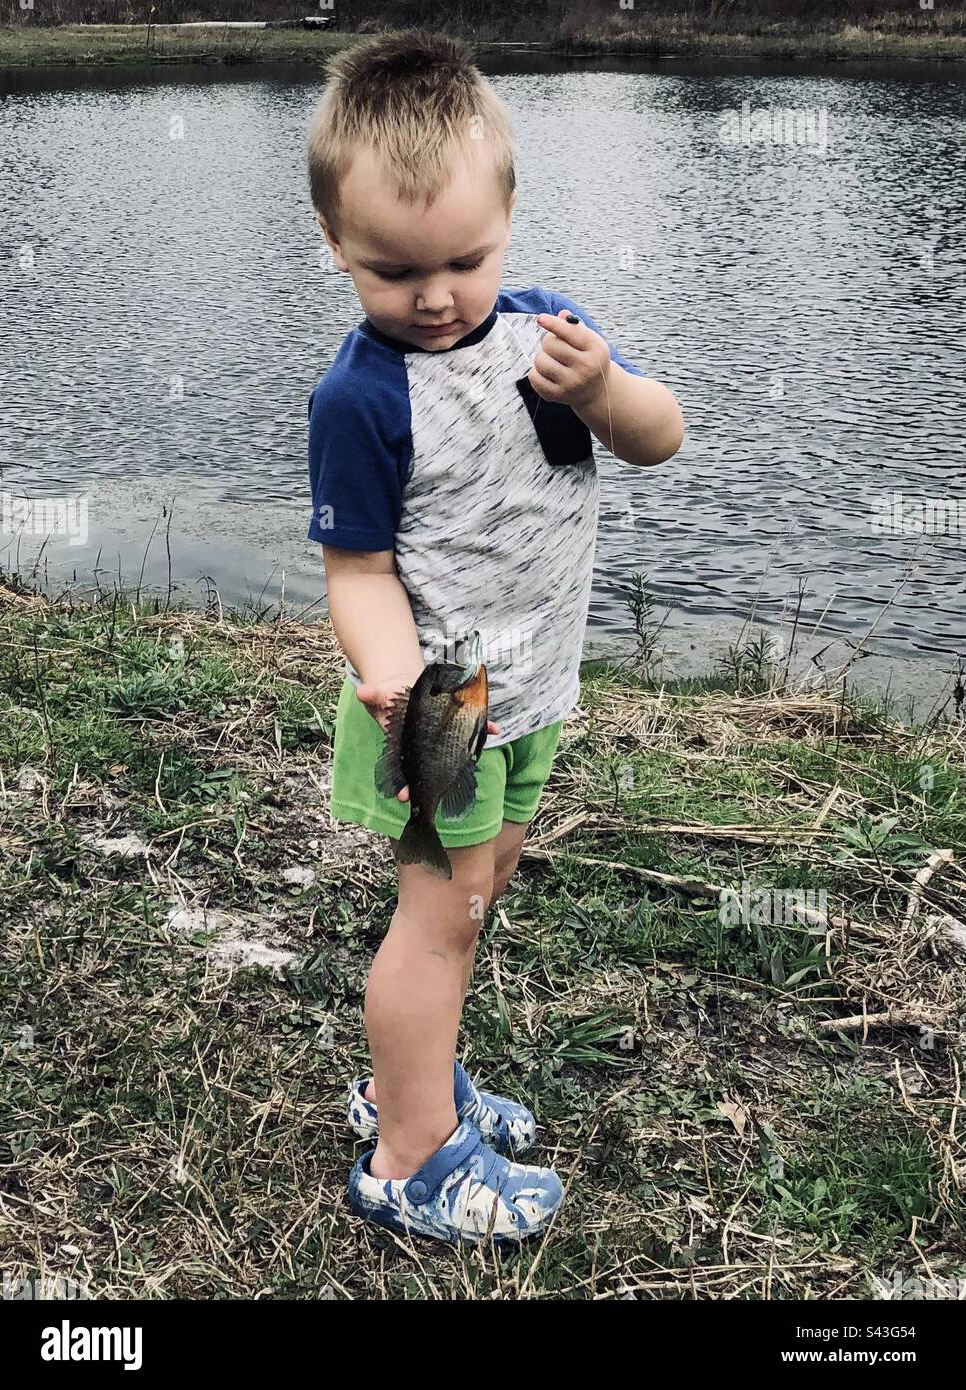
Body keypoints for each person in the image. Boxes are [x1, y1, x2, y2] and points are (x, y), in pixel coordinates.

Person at [305, 29, 684, 1245]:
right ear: (337, 248)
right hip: (439, 711)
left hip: (534, 691)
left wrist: (602, 388)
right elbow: (358, 569)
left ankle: (413, 1079)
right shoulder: (361, 398)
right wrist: (390, 670)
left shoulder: (549, 344)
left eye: (463, 260)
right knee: (438, 916)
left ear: (509, 219)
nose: (433, 295)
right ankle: (409, 1153)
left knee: (477, 897)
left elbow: (658, 438)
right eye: (393, 270)